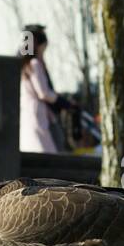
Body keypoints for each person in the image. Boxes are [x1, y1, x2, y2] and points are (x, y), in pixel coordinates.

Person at [18, 25, 76, 153]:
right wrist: (63, 102)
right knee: (45, 150)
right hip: (37, 114)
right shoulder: (35, 64)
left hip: (28, 113)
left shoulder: (23, 65)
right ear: (38, 46)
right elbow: (43, 92)